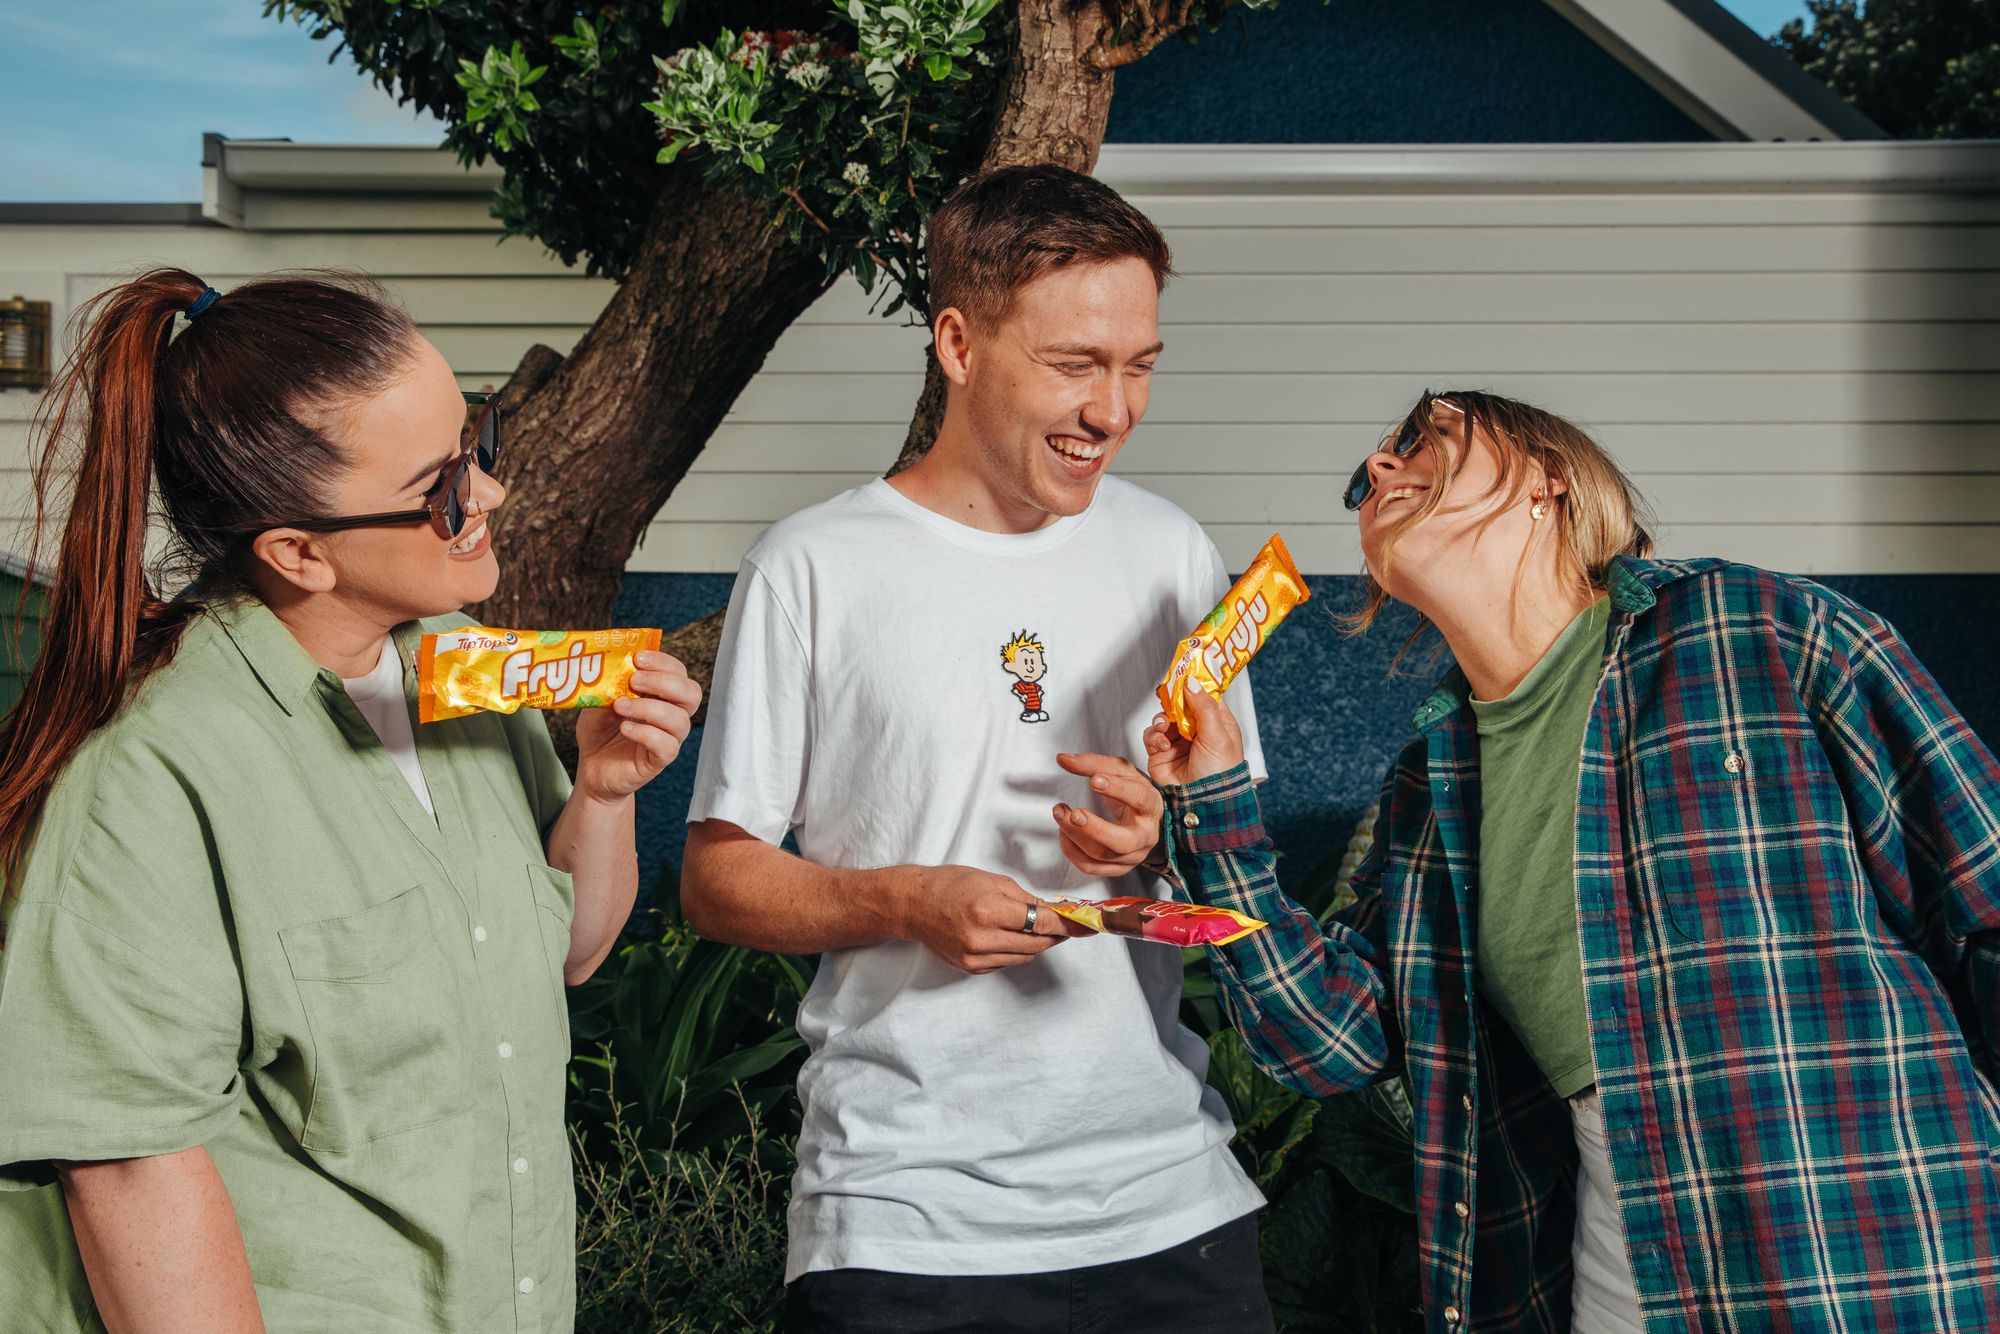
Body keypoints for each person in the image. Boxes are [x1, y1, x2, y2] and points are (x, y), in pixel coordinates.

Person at [1063, 388, 2000, 1331]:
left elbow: (1986, 893)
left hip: (1863, 1249)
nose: (1381, 469)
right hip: (1614, 1266)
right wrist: (1213, 810)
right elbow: (1328, 1039)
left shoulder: (1754, 630)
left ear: (1549, 480)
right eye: (1368, 470)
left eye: (1426, 438)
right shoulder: (1432, 789)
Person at [0, 269, 700, 1332]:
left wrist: (602, 792)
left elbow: (563, 957)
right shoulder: (153, 773)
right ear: (298, 551)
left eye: (478, 444)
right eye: (442, 487)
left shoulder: (463, 668)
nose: (492, 496)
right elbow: (131, 1167)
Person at [681, 165, 1276, 1332]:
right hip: (902, 1218)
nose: (1114, 410)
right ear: (956, 342)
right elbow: (715, 875)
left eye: (1138, 365)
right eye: (1073, 365)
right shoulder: (812, 566)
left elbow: (1233, 846)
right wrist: (907, 899)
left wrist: (1166, 834)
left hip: (1169, 1200)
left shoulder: (1173, 554)